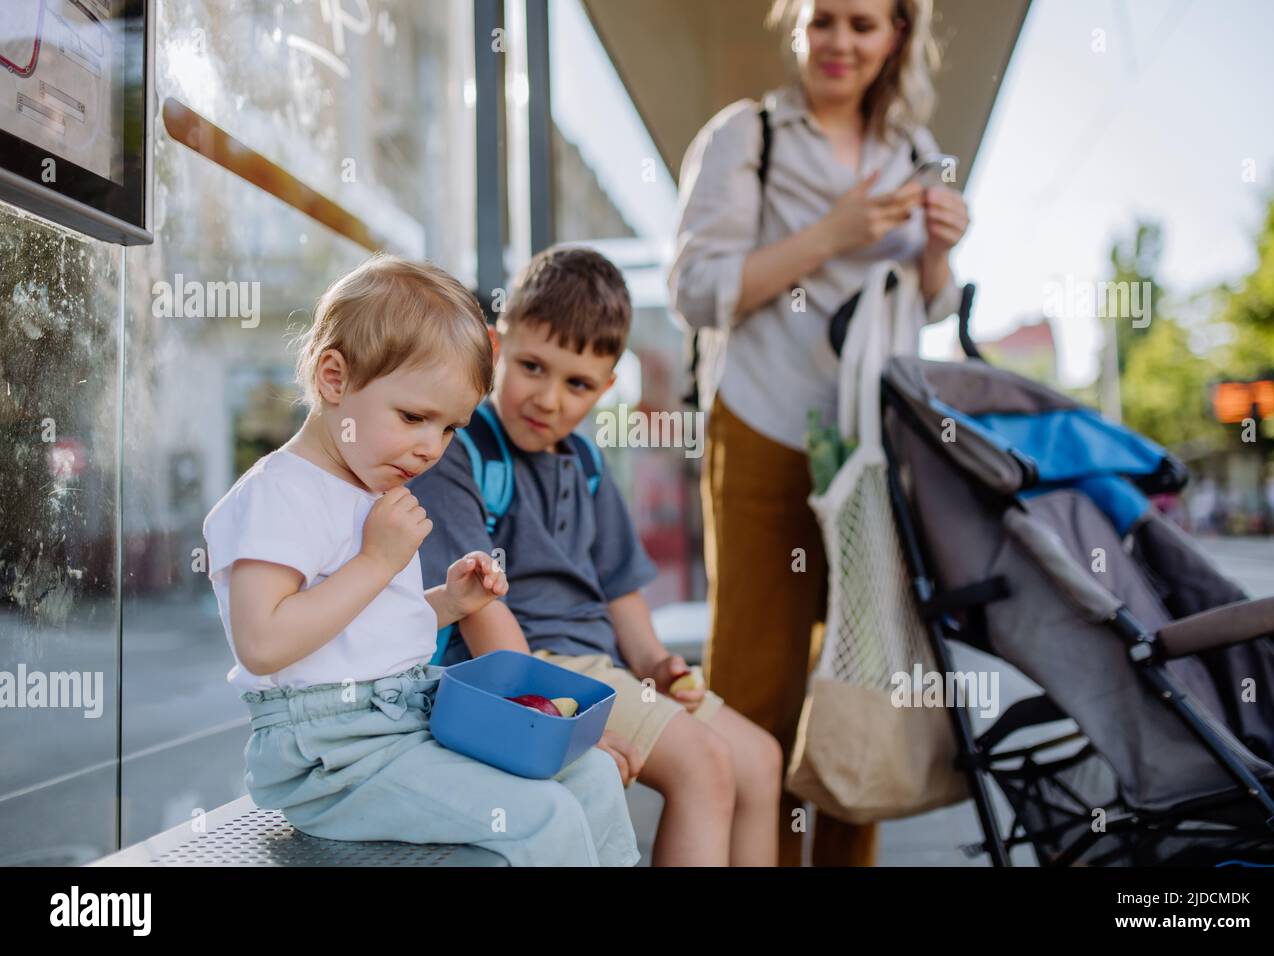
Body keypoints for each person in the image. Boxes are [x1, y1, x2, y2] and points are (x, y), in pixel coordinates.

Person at [202, 254, 640, 866]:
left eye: (451, 429)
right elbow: (263, 642)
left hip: (404, 723)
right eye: (414, 417)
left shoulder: (374, 489)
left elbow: (361, 628)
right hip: (331, 756)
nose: (430, 447)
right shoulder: (278, 493)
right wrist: (378, 562)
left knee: (589, 779)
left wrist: (448, 603)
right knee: (544, 817)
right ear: (334, 378)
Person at [668, 0, 969, 866]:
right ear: (797, 26)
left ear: (896, 37)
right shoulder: (747, 135)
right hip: (765, 426)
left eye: (864, 24)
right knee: (754, 689)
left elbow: (931, 303)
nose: (842, 41)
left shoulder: (914, 153)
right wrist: (832, 235)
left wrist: (939, 257)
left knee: (859, 684)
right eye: (825, 19)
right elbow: (694, 290)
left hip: (874, 450)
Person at [411, 246, 784, 866]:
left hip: (603, 669)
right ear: (496, 347)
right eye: (533, 366)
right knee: (706, 766)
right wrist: (554, 721)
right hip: (533, 669)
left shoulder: (586, 464)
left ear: (607, 387)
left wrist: (658, 664)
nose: (550, 399)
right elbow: (473, 606)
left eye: (578, 383)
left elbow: (619, 590)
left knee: (760, 760)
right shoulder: (459, 449)